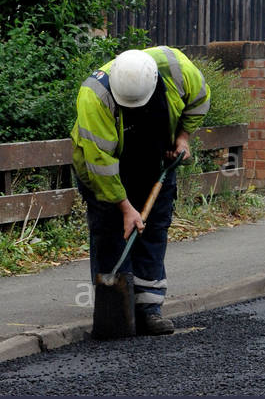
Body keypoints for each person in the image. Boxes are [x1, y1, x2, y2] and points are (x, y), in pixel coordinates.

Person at [72, 46, 210, 335]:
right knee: (111, 232)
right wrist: (124, 207)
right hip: (107, 172)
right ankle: (116, 313)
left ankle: (149, 310)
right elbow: (100, 162)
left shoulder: (178, 70)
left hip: (154, 164)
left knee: (154, 229)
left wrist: (183, 138)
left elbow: (199, 101)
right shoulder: (94, 95)